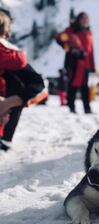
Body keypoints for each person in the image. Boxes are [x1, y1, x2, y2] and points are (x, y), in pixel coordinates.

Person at [0, 9, 46, 152]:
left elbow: (38, 85)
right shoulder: (7, 53)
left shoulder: (8, 54)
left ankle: (4, 137)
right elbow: (39, 85)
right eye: (7, 29)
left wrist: (9, 102)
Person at [56, 12, 95, 114]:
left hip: (85, 63)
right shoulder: (72, 30)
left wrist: (92, 65)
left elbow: (90, 50)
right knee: (72, 85)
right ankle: (71, 106)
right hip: (73, 63)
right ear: (79, 20)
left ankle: (87, 108)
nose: (85, 21)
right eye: (83, 19)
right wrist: (71, 49)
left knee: (84, 86)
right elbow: (60, 38)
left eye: (87, 19)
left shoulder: (89, 32)